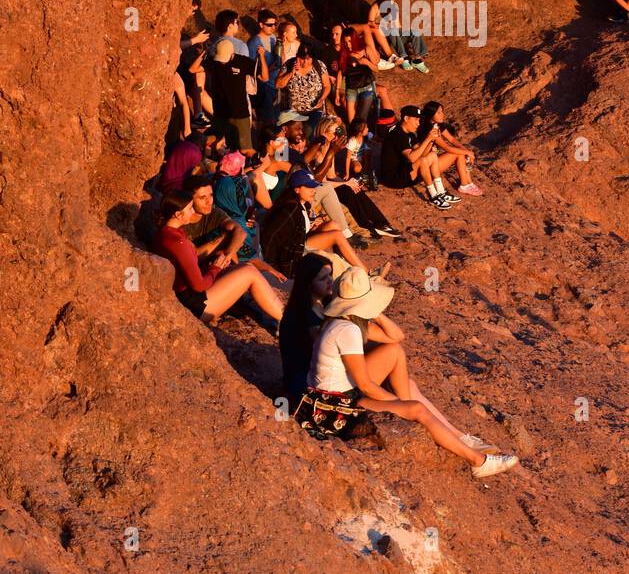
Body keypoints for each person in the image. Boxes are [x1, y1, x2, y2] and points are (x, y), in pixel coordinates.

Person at [298, 267, 518, 477]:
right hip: (332, 408)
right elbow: (364, 386)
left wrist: (375, 313)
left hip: (334, 394)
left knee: (395, 356)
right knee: (416, 408)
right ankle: (478, 462)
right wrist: (399, 404)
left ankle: (453, 434)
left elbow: (396, 338)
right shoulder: (347, 330)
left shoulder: (341, 321)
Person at [154, 190, 284, 325]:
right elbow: (199, 285)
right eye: (190, 208)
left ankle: (282, 316)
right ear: (177, 214)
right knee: (250, 272)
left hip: (186, 296)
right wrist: (215, 268)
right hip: (195, 305)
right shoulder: (179, 242)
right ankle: (287, 320)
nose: (193, 212)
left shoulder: (165, 233)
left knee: (247, 267)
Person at [279, 253, 336, 405]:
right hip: (305, 386)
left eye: (330, 275)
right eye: (322, 278)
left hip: (315, 377)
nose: (330, 281)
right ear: (308, 284)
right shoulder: (304, 316)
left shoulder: (323, 306)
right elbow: (328, 351)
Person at [380, 105, 458, 209]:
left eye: (419, 120)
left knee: (432, 155)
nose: (418, 123)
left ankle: (440, 192)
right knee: (421, 160)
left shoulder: (410, 134)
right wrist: (427, 139)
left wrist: (431, 140)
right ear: (406, 118)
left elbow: (423, 154)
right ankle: (433, 195)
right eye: (416, 119)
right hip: (393, 178)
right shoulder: (397, 134)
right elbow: (412, 158)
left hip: (405, 172)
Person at [418, 102, 482, 196]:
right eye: (439, 113)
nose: (442, 115)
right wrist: (467, 152)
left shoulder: (437, 124)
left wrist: (467, 151)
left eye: (442, 111)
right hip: (425, 166)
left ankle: (468, 182)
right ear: (431, 115)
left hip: (433, 161)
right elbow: (447, 148)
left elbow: (452, 139)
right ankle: (464, 185)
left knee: (461, 152)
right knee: (457, 153)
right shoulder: (429, 129)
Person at [209, 39, 258, 152]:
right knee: (220, 145)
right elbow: (193, 69)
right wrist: (204, 53)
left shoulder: (243, 61)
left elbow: (263, 76)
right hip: (221, 113)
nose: (222, 62)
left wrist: (262, 57)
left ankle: (259, 162)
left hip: (240, 113)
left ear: (232, 55)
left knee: (245, 149)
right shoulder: (214, 62)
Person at [274, 44, 330, 132]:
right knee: (295, 133)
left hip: (314, 110)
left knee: (308, 130)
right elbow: (278, 84)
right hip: (293, 112)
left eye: (308, 59)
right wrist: (291, 73)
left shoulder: (319, 65)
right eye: (302, 59)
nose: (305, 62)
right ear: (297, 56)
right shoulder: (288, 65)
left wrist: (322, 98)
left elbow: (327, 86)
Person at [377, 0, 429, 72]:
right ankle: (404, 58)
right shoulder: (377, 9)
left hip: (397, 34)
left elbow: (398, 25)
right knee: (392, 30)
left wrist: (405, 38)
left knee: (414, 32)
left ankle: (417, 59)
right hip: (387, 37)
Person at [247, 8, 281, 125]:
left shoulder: (273, 38)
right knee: (268, 121)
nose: (273, 27)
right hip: (264, 87)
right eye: (270, 25)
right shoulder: (253, 43)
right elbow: (251, 67)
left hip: (275, 83)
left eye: (275, 24)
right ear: (261, 24)